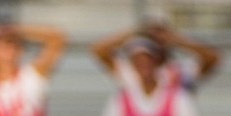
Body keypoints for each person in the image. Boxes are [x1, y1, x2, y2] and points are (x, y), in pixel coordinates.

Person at [90, 22, 223, 92]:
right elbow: (99, 49)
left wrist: (175, 39)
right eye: (137, 57)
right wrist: (137, 30)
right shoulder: (130, 76)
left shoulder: (177, 74)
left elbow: (212, 58)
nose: (142, 62)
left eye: (147, 57)